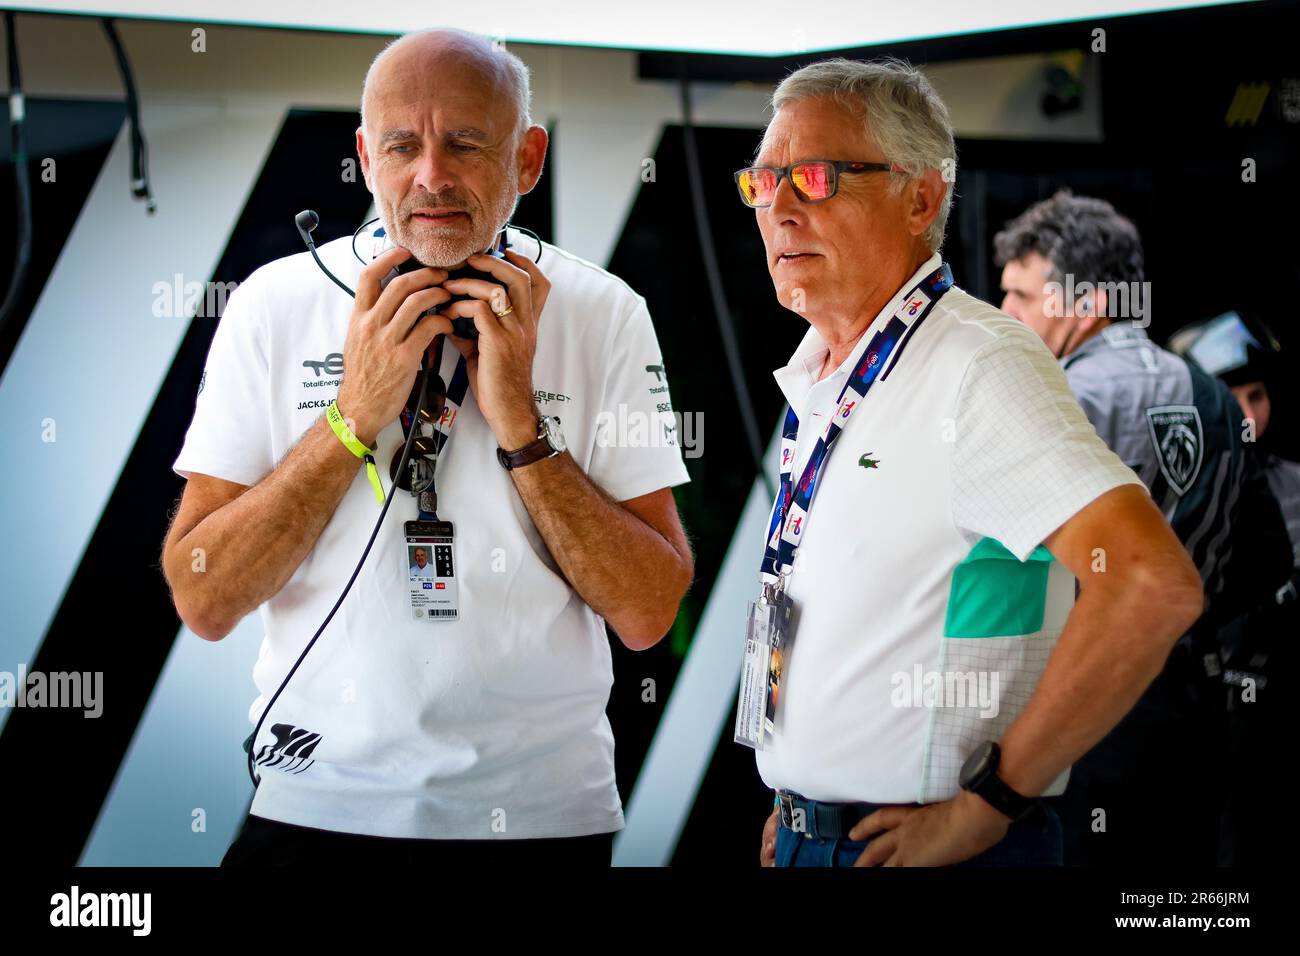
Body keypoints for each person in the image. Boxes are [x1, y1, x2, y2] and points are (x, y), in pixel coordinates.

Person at [160, 29, 694, 867]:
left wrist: (522, 425)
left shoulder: (604, 310)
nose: (432, 176)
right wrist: (351, 415)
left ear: (528, 157)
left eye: (467, 143)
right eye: (403, 144)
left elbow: (647, 612)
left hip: (543, 819)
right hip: (318, 808)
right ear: (366, 155)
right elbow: (205, 598)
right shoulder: (274, 302)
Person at [742, 57, 1203, 869]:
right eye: (764, 180)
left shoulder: (978, 364)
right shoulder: (823, 370)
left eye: (813, 177)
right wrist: (801, 799)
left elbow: (1149, 585)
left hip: (935, 847)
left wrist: (991, 804)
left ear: (920, 196)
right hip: (820, 835)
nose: (777, 205)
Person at [995, 192, 1294, 866]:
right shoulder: (1213, 392)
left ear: (1088, 304)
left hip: (1074, 713)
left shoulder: (1050, 396)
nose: (1005, 315)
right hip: (1191, 716)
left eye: (1021, 296)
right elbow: (1266, 560)